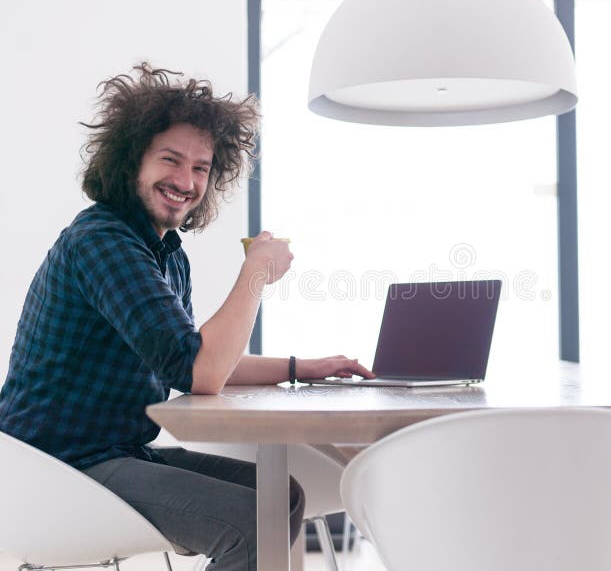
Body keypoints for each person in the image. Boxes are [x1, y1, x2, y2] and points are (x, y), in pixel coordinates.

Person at [0, 63, 374, 571]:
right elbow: (201, 372)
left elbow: (196, 358)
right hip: (59, 470)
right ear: (131, 160)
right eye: (170, 160)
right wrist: (255, 273)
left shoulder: (165, 253)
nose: (185, 181)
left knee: (280, 497)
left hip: (113, 453)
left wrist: (302, 367)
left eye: (201, 168)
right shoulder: (103, 242)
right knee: (253, 523)